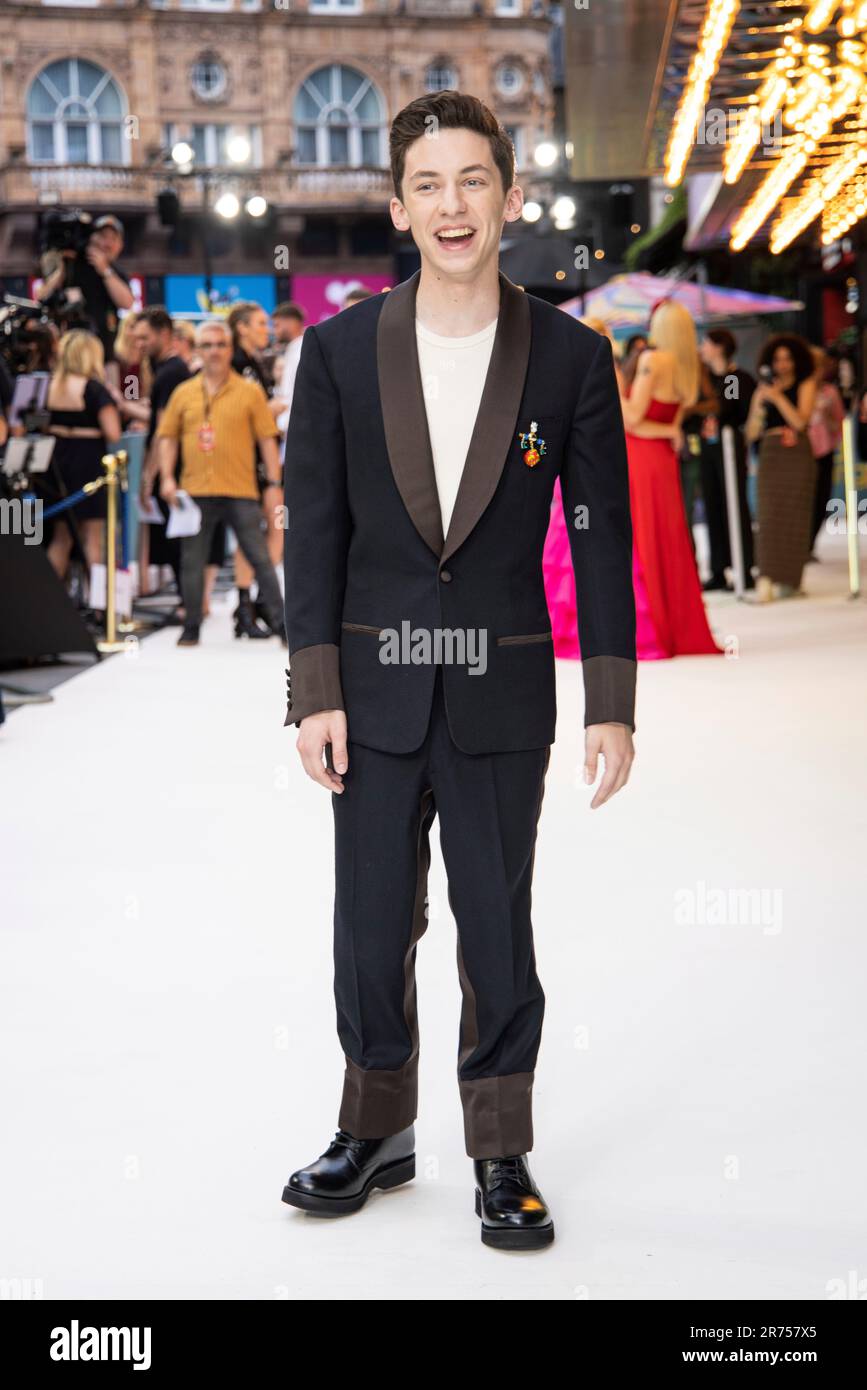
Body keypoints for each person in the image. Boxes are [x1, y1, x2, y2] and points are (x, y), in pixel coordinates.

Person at [280, 91, 637, 1250]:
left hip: (501, 686)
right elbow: (315, 531)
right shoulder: (335, 354)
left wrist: (612, 704)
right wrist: (315, 686)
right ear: (398, 206)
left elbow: (599, 529)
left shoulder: (572, 358)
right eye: (428, 185)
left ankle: (500, 1148)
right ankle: (375, 1128)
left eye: (473, 181)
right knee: (368, 921)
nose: (452, 206)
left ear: (510, 198)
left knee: (496, 925)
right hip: (373, 690)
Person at [542, 316, 684, 659]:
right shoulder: (596, 365)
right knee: (571, 542)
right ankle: (574, 631)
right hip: (583, 458)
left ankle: (571, 631)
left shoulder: (582, 366)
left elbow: (621, 416)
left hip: (587, 457)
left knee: (573, 543)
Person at [155, 319, 286, 647]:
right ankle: (192, 626)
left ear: (230, 349)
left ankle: (285, 625)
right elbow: (167, 438)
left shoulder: (249, 391)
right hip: (195, 490)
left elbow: (267, 439)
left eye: (220, 344)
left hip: (239, 488)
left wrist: (273, 483)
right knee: (192, 560)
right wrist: (167, 478)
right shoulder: (184, 393)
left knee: (259, 555)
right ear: (198, 350)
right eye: (208, 345)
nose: (214, 351)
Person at [619, 300, 722, 657]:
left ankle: (651, 629)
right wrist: (668, 429)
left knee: (643, 540)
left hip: (640, 457)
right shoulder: (688, 367)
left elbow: (631, 417)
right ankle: (673, 625)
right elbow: (672, 421)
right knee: (668, 539)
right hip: (662, 459)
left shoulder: (652, 360)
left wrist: (611, 379)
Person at [228, 302, 287, 637]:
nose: (267, 329)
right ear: (242, 327)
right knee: (250, 530)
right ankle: (245, 604)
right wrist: (269, 410)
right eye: (261, 324)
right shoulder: (236, 363)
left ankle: (262, 597)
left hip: (264, 458)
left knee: (276, 523)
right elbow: (237, 414)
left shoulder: (256, 363)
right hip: (243, 460)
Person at [745, 333, 817, 601]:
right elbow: (751, 431)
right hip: (770, 452)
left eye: (787, 359)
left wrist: (777, 398)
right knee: (768, 516)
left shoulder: (805, 384)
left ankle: (790, 579)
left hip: (797, 452)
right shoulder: (762, 389)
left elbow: (800, 421)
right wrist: (759, 403)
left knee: (796, 516)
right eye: (777, 360)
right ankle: (765, 575)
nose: (782, 364)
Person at [44, 329, 122, 578]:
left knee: (61, 537)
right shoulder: (94, 389)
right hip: (88, 463)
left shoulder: (48, 385)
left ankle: (50, 601)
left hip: (55, 463)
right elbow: (114, 433)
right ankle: (100, 607)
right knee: (93, 538)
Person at [37, 214, 133, 383]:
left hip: (104, 357)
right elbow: (41, 297)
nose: (107, 243)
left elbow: (127, 302)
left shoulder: (115, 273)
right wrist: (62, 269)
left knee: (107, 401)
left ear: (121, 245)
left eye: (113, 238)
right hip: (68, 356)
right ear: (92, 238)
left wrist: (105, 270)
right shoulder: (73, 264)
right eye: (102, 236)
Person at [698, 328, 756, 590]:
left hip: (730, 448)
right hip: (707, 450)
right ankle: (718, 569)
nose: (703, 347)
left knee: (735, 505)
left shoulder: (735, 378)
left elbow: (732, 411)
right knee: (713, 505)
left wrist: (715, 414)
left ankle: (743, 567)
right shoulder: (703, 378)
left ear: (720, 347)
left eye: (707, 343)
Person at [807, 345, 845, 556]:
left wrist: (827, 415)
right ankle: (801, 544)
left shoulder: (830, 392)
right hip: (802, 453)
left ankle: (810, 543)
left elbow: (840, 425)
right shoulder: (801, 390)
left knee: (821, 498)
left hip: (825, 451)